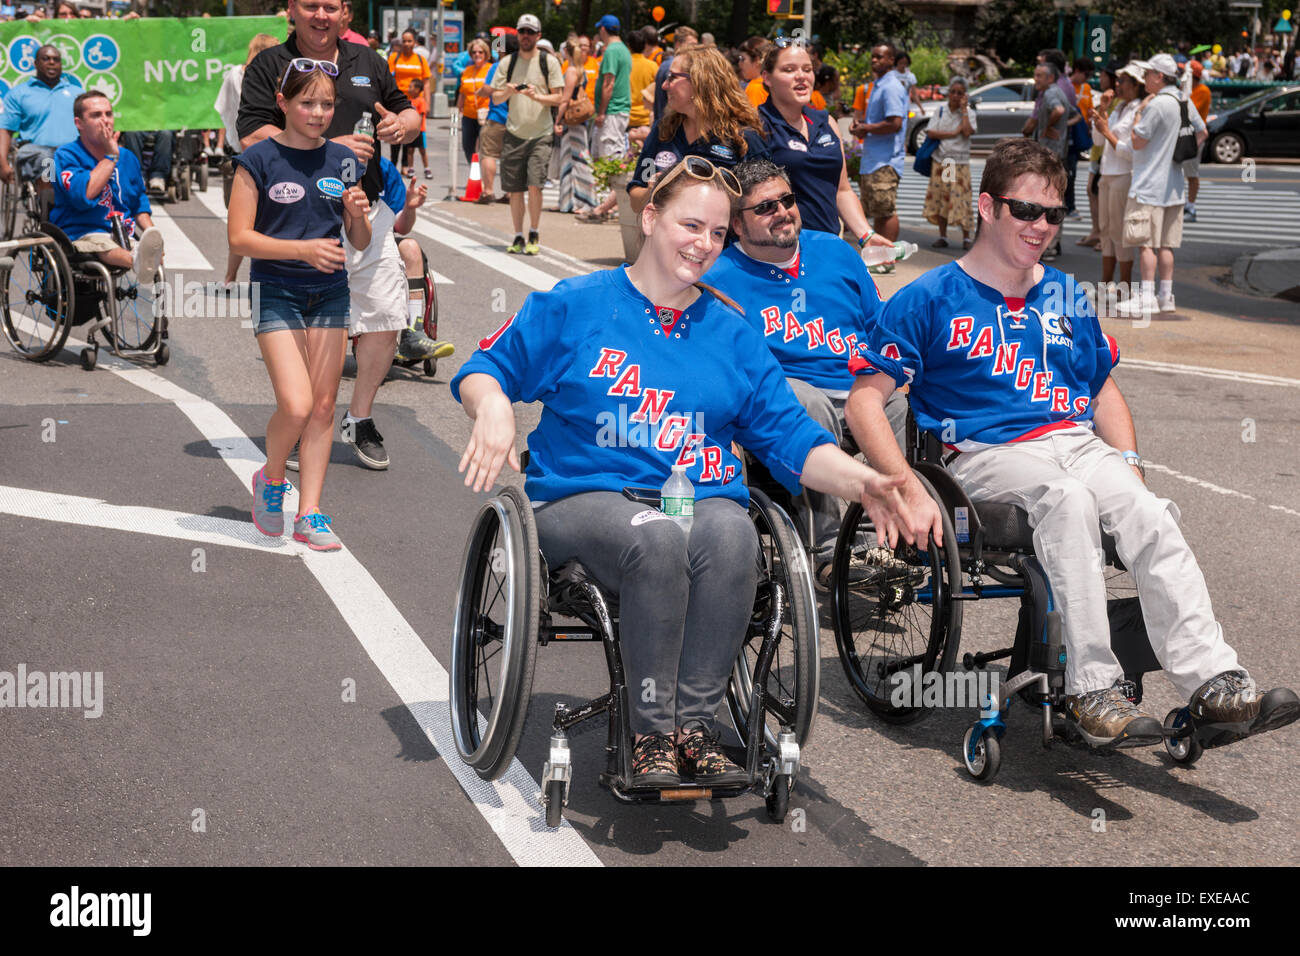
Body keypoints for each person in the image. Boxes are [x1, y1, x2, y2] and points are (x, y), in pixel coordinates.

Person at [451, 156, 914, 787]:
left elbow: (791, 437)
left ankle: (693, 728)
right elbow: (483, 368)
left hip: (692, 499)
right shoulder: (577, 305)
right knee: (659, 533)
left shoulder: (730, 331)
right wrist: (495, 408)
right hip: (588, 498)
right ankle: (649, 734)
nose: (703, 244)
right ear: (650, 217)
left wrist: (868, 485)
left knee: (732, 532)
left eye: (717, 234)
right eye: (690, 225)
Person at [845, 138, 1300, 751]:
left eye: (1054, 215)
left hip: (1075, 441)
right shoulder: (928, 297)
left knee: (1149, 514)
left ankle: (1215, 680)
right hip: (983, 455)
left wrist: (1130, 463)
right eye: (1026, 211)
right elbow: (864, 402)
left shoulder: (1064, 292)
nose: (1041, 226)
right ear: (986, 207)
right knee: (1064, 500)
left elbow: (1102, 389)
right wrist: (900, 485)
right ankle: (1090, 689)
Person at [703, 158, 909, 584]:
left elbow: (879, 328)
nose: (781, 211)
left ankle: (888, 540)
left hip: (855, 389)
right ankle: (831, 552)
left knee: (899, 407)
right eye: (765, 207)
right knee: (807, 405)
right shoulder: (719, 278)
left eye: (787, 200)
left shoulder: (836, 252)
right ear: (738, 226)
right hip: (788, 398)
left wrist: (895, 374)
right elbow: (723, 367)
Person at [239, 0, 420, 468]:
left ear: (345, 13)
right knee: (301, 321)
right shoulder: (269, 65)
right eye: (311, 5)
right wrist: (324, 147)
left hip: (366, 204)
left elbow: (409, 112)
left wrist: (402, 124)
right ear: (291, 11)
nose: (321, 15)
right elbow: (250, 135)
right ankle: (302, 421)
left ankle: (358, 418)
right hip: (297, 213)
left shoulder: (367, 61)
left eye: (331, 6)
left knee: (385, 315)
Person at [229, 60, 371, 551]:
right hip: (277, 289)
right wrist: (302, 249)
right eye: (307, 102)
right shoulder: (258, 159)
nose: (318, 112)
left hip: (330, 290)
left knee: (325, 406)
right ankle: (271, 481)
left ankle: (309, 513)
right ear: (283, 103)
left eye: (327, 104)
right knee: (296, 404)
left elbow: (358, 238)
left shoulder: (343, 159)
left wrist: (357, 217)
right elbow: (239, 237)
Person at [755, 40, 885, 249]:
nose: (801, 76)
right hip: (779, 250)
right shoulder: (757, 126)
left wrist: (866, 235)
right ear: (767, 78)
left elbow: (842, 191)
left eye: (807, 69)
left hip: (827, 246)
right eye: (789, 69)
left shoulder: (827, 122)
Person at [627, 45, 769, 217]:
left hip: (720, 242)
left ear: (700, 81)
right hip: (666, 241)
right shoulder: (663, 130)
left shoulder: (744, 138)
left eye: (672, 77)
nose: (664, 85)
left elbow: (765, 205)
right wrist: (651, 190)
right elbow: (635, 200)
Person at [1115, 53, 1206, 318]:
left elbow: (1138, 141)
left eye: (1147, 74)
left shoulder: (1155, 105)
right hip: (1175, 185)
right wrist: (1176, 152)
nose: (1144, 79)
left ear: (1159, 76)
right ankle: (1166, 296)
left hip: (1149, 183)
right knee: (1166, 245)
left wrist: (1138, 116)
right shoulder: (1183, 100)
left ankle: (1146, 297)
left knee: (1145, 244)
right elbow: (1202, 133)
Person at [51, 91, 164, 285]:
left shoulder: (127, 157)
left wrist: (153, 234)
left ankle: (142, 257)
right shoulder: (65, 155)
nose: (105, 120)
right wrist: (110, 157)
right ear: (79, 124)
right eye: (96, 115)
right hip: (81, 231)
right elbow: (83, 196)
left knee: (154, 257)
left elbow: (138, 203)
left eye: (108, 114)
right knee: (103, 244)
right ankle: (136, 260)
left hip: (121, 231)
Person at [488, 13, 564, 255]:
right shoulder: (507, 63)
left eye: (531, 32)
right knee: (515, 188)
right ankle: (518, 235)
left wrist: (536, 96)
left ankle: (534, 231)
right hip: (514, 132)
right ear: (517, 35)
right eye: (522, 32)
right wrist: (509, 92)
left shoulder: (548, 62)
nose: (526, 36)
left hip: (541, 133)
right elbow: (495, 97)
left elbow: (559, 97)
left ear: (538, 36)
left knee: (535, 185)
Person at [214, 33, 280, 286]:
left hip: (243, 151)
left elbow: (225, 110)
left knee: (241, 219)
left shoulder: (234, 75)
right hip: (274, 152)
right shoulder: (275, 79)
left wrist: (229, 138)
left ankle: (230, 277)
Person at [849, 43, 908, 272]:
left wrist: (867, 128)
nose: (874, 61)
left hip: (885, 159)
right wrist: (864, 126)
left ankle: (887, 259)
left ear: (891, 60)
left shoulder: (891, 86)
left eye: (880, 57)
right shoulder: (878, 85)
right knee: (876, 210)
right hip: (874, 158)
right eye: (873, 57)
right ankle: (880, 258)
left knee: (885, 211)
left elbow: (895, 123)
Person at [0, 44, 80, 202]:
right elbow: (6, 129)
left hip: (71, 150)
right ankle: (49, 213)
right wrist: (2, 162)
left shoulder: (76, 93)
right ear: (35, 63)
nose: (51, 62)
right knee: (48, 161)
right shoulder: (20, 93)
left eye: (56, 59)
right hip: (37, 151)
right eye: (46, 59)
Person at [1091, 62, 1142, 299]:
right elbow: (1098, 141)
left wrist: (1106, 131)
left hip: (1123, 174)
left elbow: (1130, 151)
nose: (1118, 85)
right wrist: (1103, 110)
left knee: (1120, 231)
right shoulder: (1119, 108)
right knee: (1106, 230)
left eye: (1123, 81)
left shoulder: (1138, 110)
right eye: (1118, 80)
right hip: (1107, 172)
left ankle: (1125, 286)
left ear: (1135, 85)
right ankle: (1105, 283)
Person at [921, 76, 976, 250]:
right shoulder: (940, 111)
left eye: (960, 93)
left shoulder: (969, 113)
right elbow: (930, 133)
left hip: (959, 163)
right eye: (953, 92)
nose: (955, 95)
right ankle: (942, 236)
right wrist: (952, 133)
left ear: (964, 95)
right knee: (943, 197)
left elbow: (967, 132)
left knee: (963, 199)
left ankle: (966, 238)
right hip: (944, 161)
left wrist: (965, 110)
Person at [1021, 62, 1069, 261]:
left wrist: (1049, 127)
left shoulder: (1051, 94)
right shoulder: (1053, 92)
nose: (1036, 79)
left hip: (1051, 152)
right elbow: (1071, 114)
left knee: (1050, 197)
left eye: (1039, 76)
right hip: (1055, 150)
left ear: (1050, 78)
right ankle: (1052, 244)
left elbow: (1058, 110)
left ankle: (1049, 245)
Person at [554, 37, 597, 215]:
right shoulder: (580, 70)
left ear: (566, 52)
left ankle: (588, 200)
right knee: (570, 160)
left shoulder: (571, 71)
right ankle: (568, 201)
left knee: (579, 160)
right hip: (578, 122)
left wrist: (557, 120)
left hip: (572, 122)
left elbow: (565, 99)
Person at [475, 35, 514, 205]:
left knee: (489, 153)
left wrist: (479, 92)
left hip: (498, 116)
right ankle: (510, 193)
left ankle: (488, 191)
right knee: (512, 156)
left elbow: (488, 88)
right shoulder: (523, 66)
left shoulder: (498, 66)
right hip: (519, 119)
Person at [387, 29, 432, 165]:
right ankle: (393, 164)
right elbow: (387, 78)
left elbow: (427, 83)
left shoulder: (420, 59)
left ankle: (406, 165)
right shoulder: (394, 57)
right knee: (395, 132)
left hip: (415, 103)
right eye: (404, 41)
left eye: (409, 41)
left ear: (415, 43)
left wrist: (427, 103)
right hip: (397, 101)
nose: (406, 44)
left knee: (409, 133)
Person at [593, 15, 632, 168]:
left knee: (609, 161)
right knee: (610, 156)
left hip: (612, 112)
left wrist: (602, 112)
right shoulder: (624, 49)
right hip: (618, 110)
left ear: (603, 29)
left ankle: (610, 191)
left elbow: (609, 84)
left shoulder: (612, 51)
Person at [456, 37, 492, 167]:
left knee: (484, 148)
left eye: (480, 52)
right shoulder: (467, 71)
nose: (477, 54)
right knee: (467, 146)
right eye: (474, 52)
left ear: (486, 54)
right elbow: (462, 93)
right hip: (468, 114)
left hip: (486, 114)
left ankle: (482, 177)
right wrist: (456, 111)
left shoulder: (491, 69)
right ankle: (474, 172)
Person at [650, 25, 696, 126]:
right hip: (668, 127)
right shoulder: (674, 68)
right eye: (691, 44)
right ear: (678, 44)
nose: (695, 49)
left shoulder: (666, 64)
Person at [1183, 60, 1211, 222]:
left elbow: (1188, 110)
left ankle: (1191, 207)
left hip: (1194, 136)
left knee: (1192, 173)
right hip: (1184, 135)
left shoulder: (1202, 91)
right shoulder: (1188, 89)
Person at [626, 28, 657, 143]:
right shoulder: (653, 66)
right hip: (645, 117)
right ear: (644, 46)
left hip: (627, 116)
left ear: (628, 46)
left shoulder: (625, 65)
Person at [401, 77, 430, 178]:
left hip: (420, 131)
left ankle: (427, 168)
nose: (408, 89)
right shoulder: (409, 100)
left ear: (417, 89)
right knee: (410, 150)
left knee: (422, 150)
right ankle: (411, 168)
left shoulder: (421, 101)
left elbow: (421, 116)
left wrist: (417, 128)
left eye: (410, 87)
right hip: (411, 131)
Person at [737, 36, 770, 107]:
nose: (739, 63)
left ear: (757, 61)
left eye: (742, 59)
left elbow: (755, 117)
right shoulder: (770, 83)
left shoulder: (756, 88)